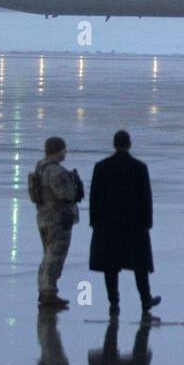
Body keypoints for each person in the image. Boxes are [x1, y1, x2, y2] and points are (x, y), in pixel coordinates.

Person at [89, 130, 160, 318]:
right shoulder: (139, 167)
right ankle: (145, 299)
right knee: (140, 265)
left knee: (110, 266)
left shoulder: (101, 167)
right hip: (134, 225)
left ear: (114, 144)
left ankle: (113, 302)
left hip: (108, 225)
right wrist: (148, 222)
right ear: (129, 144)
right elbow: (146, 197)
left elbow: (94, 197)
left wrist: (94, 222)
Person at [31, 136, 82, 310]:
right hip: (57, 219)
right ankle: (49, 292)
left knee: (47, 255)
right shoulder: (56, 171)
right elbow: (66, 195)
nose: (65, 152)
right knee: (55, 256)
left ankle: (44, 288)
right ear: (58, 150)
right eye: (64, 149)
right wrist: (75, 186)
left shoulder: (40, 167)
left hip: (44, 217)